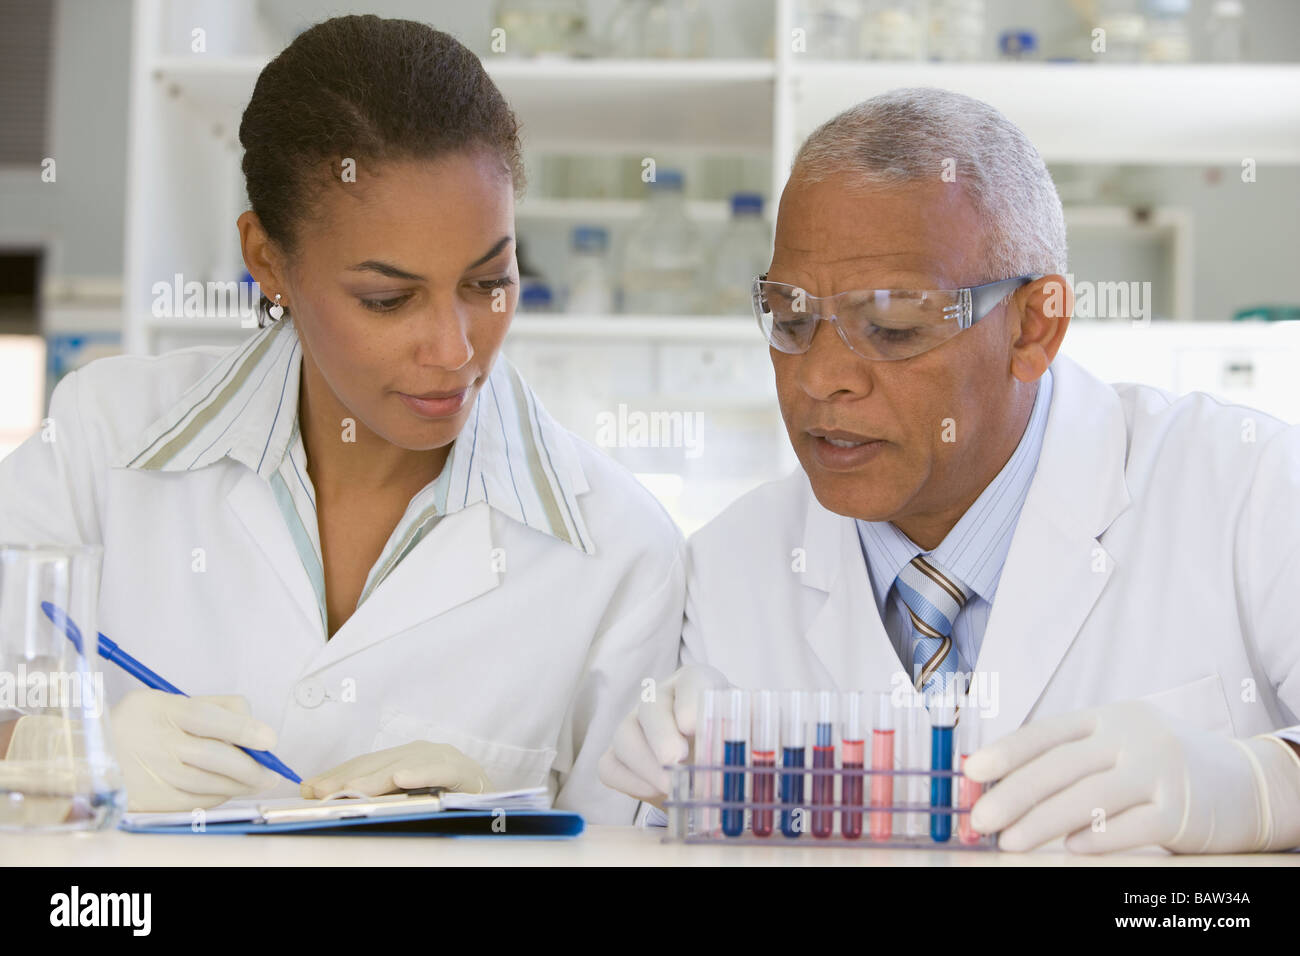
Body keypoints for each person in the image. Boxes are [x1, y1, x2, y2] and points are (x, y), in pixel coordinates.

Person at [0, 15, 684, 821]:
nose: (453, 349)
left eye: (488, 281)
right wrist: (51, 756)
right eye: (386, 299)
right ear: (267, 263)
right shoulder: (102, 440)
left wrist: (513, 836)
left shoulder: (624, 554)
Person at [600, 87, 1300, 853]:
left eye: (893, 327)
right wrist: (678, 798)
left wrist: (1260, 788)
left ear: (1035, 327)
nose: (820, 377)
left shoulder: (1248, 489)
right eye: (793, 319)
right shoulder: (732, 567)